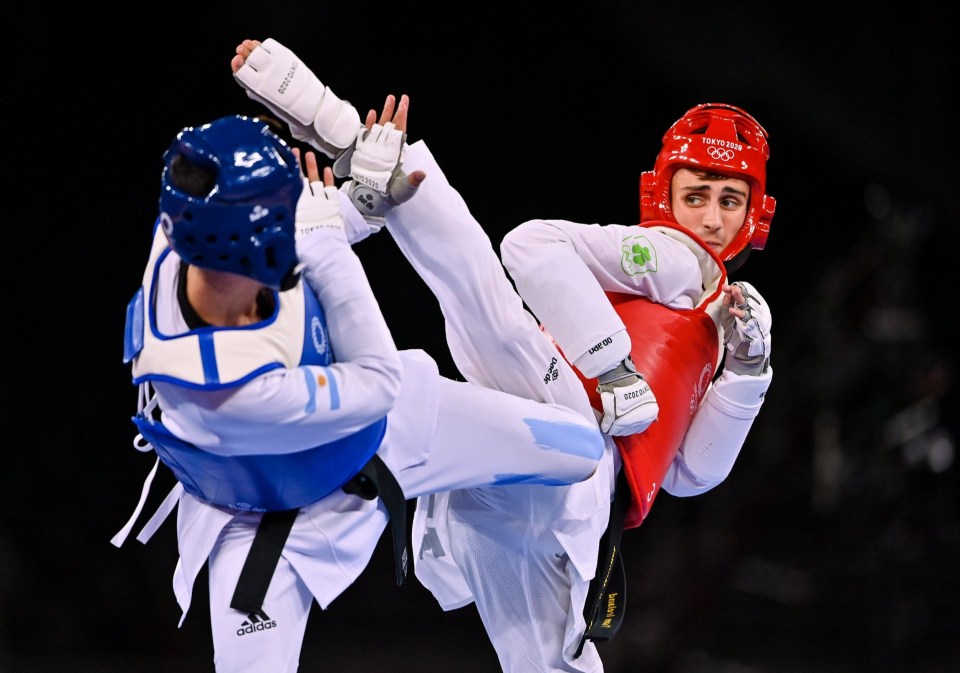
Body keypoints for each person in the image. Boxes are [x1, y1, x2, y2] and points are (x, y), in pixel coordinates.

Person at [229, 39, 773, 672]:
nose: (708, 217)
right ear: (665, 198)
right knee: (485, 312)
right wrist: (614, 369)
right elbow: (532, 247)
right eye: (696, 196)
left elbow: (689, 474)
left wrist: (745, 372)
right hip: (560, 445)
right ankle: (346, 139)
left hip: (565, 489)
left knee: (474, 310)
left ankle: (348, 143)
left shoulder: (731, 319)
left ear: (754, 215)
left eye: (728, 201)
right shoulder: (671, 258)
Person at [111, 105, 607, 672]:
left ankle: (462, 509)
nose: (291, 217)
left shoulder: (189, 228)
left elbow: (309, 233)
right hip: (258, 513)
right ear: (244, 240)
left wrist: (360, 202)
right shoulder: (224, 388)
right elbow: (376, 381)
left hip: (385, 431)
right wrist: (326, 243)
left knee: (581, 452)